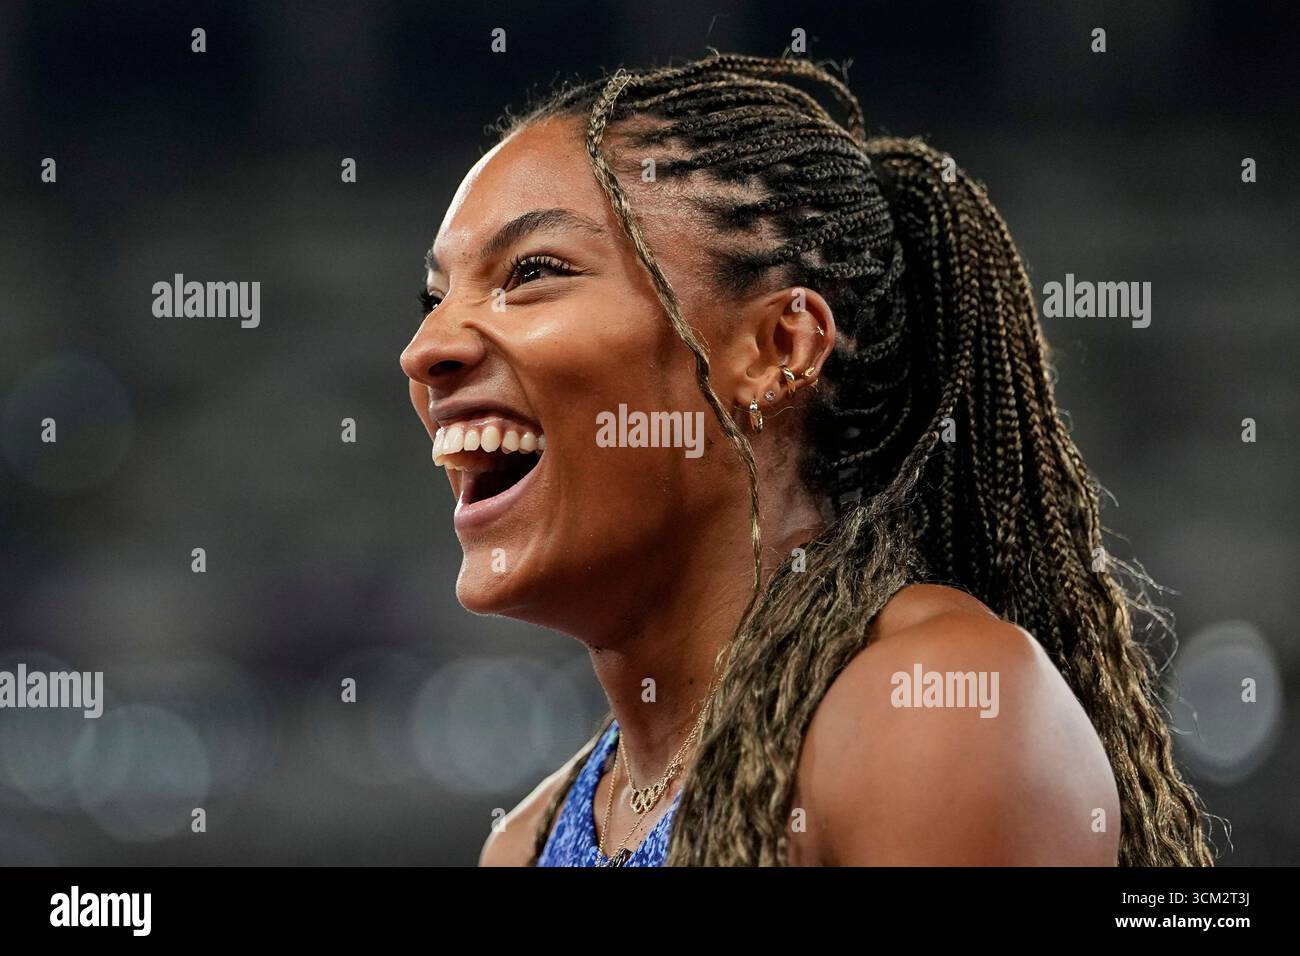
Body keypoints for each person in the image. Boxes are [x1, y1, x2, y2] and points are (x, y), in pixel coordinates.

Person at [399, 52, 1214, 866]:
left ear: (777, 348)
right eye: (435, 299)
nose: (425, 349)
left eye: (533, 272)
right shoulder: (524, 842)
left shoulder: (931, 707)